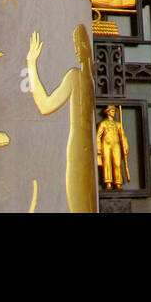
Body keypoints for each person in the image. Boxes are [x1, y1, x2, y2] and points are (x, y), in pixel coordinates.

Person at [26, 24, 98, 213]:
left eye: (80, 44)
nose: (77, 50)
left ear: (87, 48)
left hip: (82, 154)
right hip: (81, 152)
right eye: (76, 45)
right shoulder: (82, 79)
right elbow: (45, 107)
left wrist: (31, 64)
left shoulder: (81, 78)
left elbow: (44, 106)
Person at [95, 105, 130, 191]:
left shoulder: (118, 124)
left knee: (117, 163)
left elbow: (123, 136)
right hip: (106, 144)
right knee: (107, 163)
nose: (113, 113)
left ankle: (118, 183)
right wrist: (98, 148)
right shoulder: (103, 123)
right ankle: (108, 183)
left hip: (116, 144)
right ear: (108, 112)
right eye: (112, 111)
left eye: (114, 111)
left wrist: (125, 146)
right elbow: (98, 136)